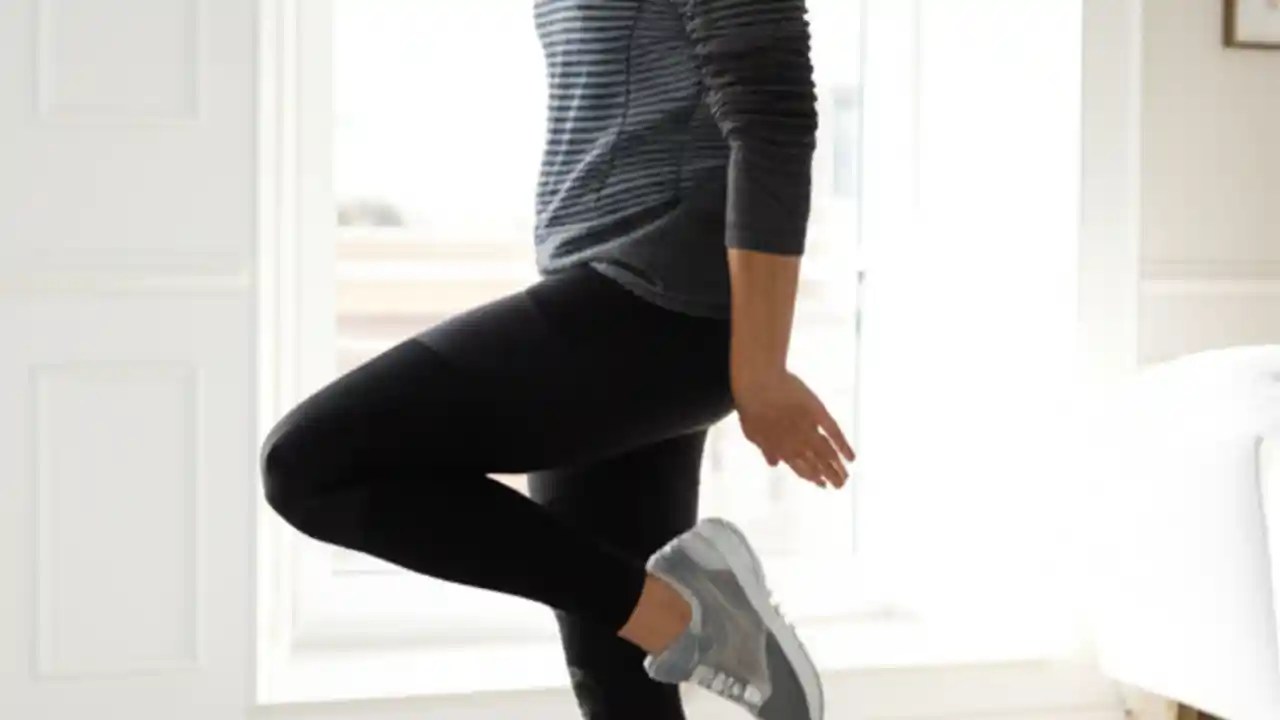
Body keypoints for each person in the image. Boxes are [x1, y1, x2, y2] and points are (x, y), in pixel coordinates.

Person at [259, 0, 854, 718]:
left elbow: (774, 113)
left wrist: (761, 367)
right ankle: (697, 625)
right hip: (608, 293)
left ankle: (694, 624)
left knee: (310, 462)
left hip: (659, 302)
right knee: (620, 688)